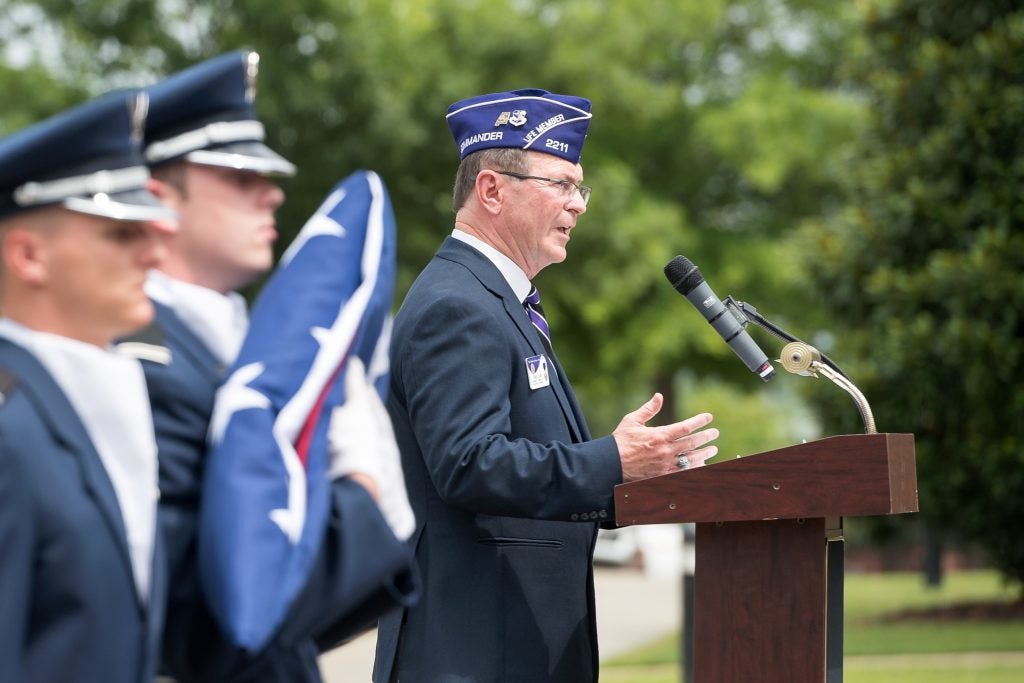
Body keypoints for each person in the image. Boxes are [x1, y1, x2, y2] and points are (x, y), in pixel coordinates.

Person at [374, 88, 720, 683]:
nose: (578, 205)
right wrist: (609, 459)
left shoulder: (499, 301)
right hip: (474, 653)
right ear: (491, 190)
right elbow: (469, 464)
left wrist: (634, 475)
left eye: (579, 187)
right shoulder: (457, 306)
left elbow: (527, 477)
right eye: (561, 183)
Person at [116, 51, 415, 682]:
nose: (273, 193)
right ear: (159, 196)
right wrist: (362, 490)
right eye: (239, 176)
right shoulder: (137, 365)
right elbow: (216, 617)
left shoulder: (242, 344)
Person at [0, 89, 176, 681]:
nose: (154, 252)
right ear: (28, 255)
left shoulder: (70, 395)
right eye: (120, 234)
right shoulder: (9, 424)